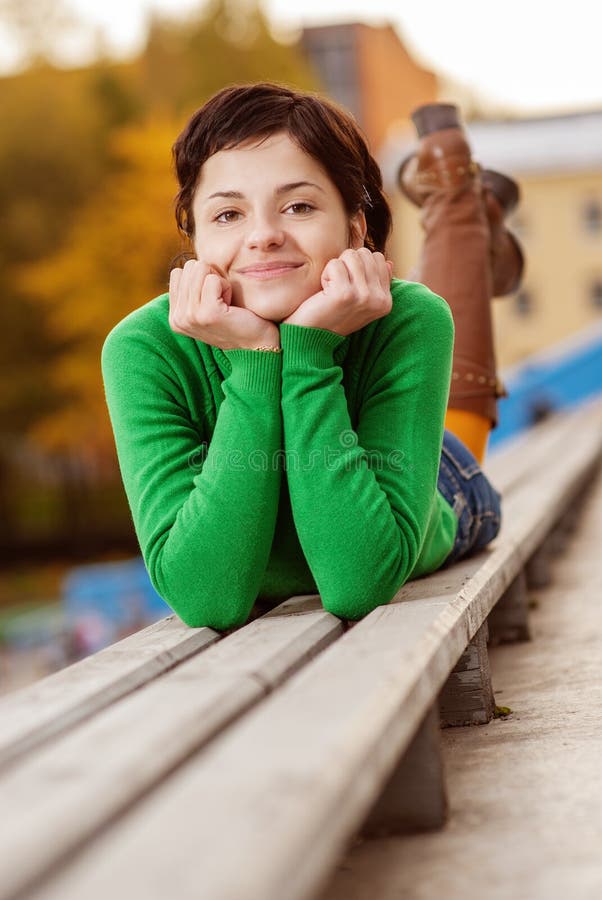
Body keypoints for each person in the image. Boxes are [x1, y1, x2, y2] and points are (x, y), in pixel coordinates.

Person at [101, 83, 523, 631]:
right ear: (196, 238)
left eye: (298, 206)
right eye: (228, 215)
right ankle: (461, 202)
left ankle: (460, 204)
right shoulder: (143, 349)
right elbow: (204, 598)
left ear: (355, 225)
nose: (263, 237)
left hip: (426, 487)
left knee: (455, 385)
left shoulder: (411, 321)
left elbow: (358, 581)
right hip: (349, 437)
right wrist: (254, 359)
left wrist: (306, 352)